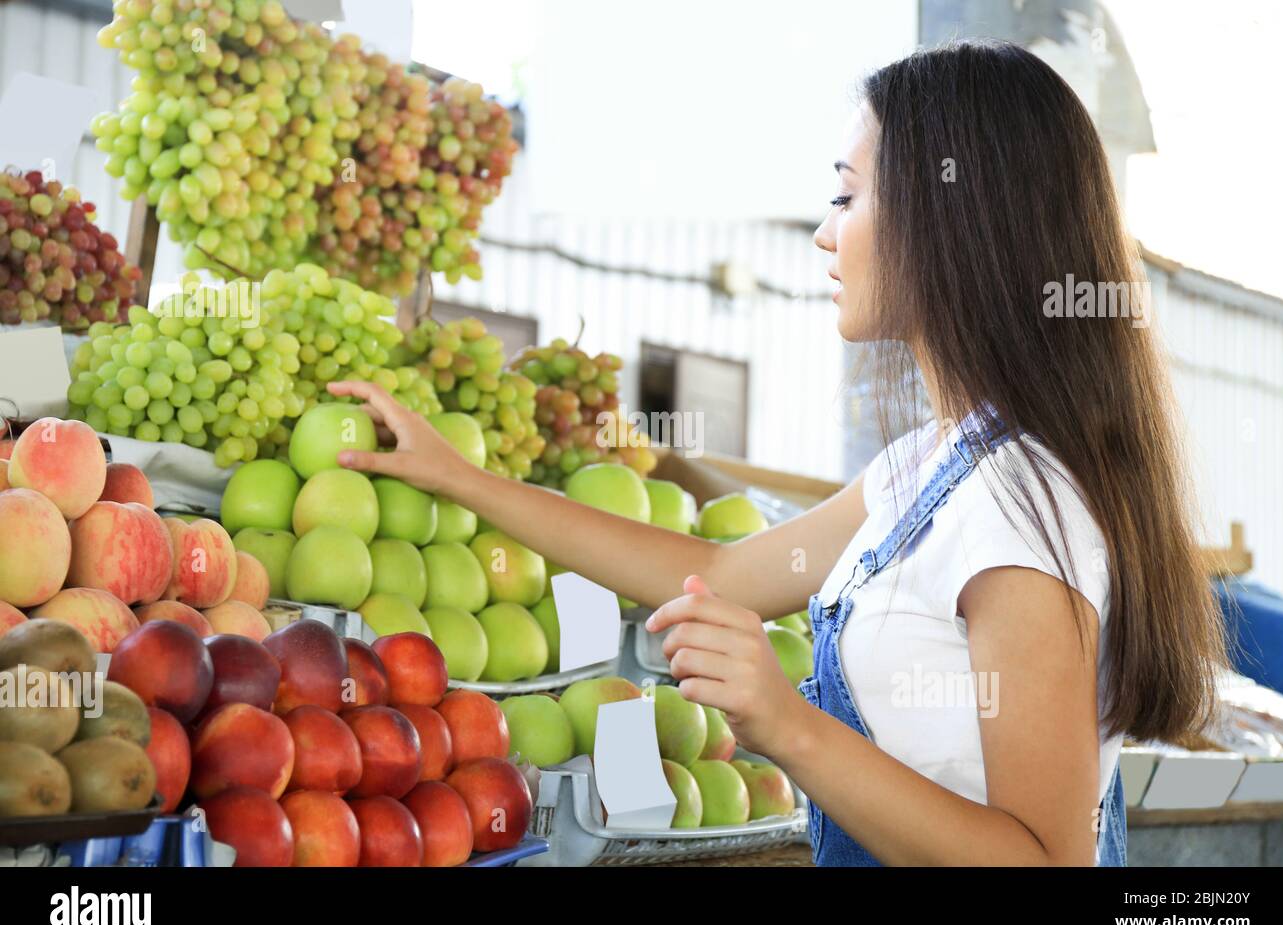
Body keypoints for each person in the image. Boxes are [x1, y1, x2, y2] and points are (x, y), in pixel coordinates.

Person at [327, 40, 1228, 866]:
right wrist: (459, 478)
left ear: (953, 217)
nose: (823, 233)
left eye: (847, 195)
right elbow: (712, 572)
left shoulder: (1022, 504)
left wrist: (786, 725)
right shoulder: (935, 467)